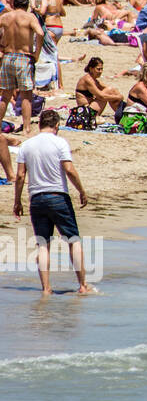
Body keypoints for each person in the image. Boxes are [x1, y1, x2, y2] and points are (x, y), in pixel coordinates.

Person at [12, 109, 92, 295]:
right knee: (73, 240)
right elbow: (69, 169)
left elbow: (21, 176)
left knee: (43, 244)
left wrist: (17, 201)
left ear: (39, 125)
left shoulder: (27, 145)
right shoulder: (60, 143)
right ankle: (82, 286)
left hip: (36, 199)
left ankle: (46, 288)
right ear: (57, 126)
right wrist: (82, 191)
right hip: (58, 197)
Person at [0, 0, 43, 133]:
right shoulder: (29, 17)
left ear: (13, 3)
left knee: (5, 95)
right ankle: (26, 128)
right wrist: (36, 54)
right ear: (27, 4)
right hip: (23, 57)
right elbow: (40, 33)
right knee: (26, 95)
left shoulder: (5, 17)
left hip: (7, 57)